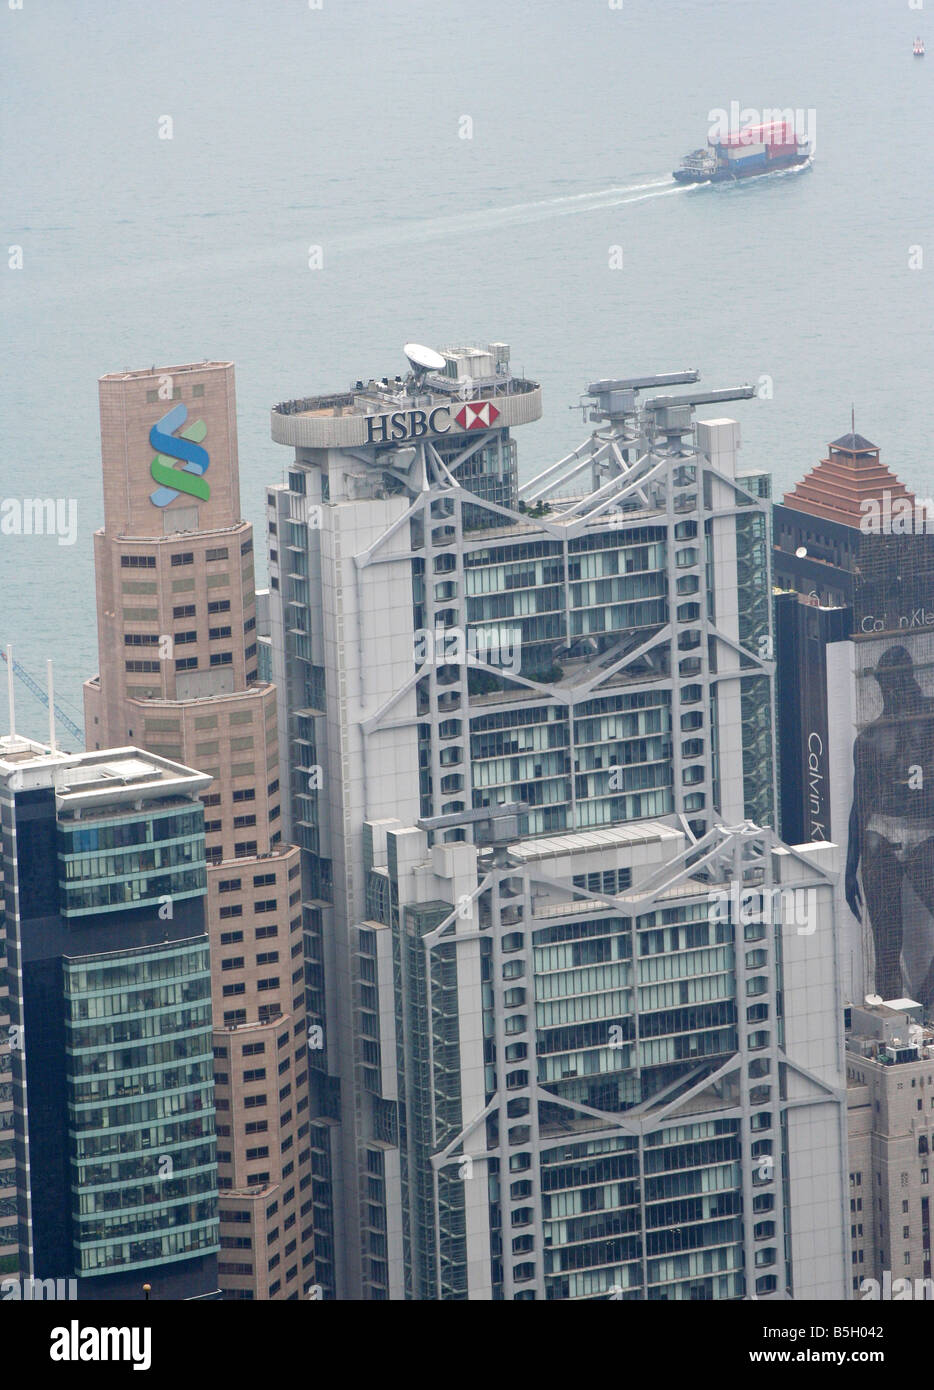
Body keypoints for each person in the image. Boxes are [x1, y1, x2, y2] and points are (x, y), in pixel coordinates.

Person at [846, 644, 934, 1005]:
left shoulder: (929, 721)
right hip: (880, 831)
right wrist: (849, 869)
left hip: (926, 827)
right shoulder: (869, 738)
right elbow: (861, 804)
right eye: (886, 684)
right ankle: (895, 1023)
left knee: (889, 946)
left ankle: (926, 997)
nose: (892, 690)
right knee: (885, 946)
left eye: (896, 682)